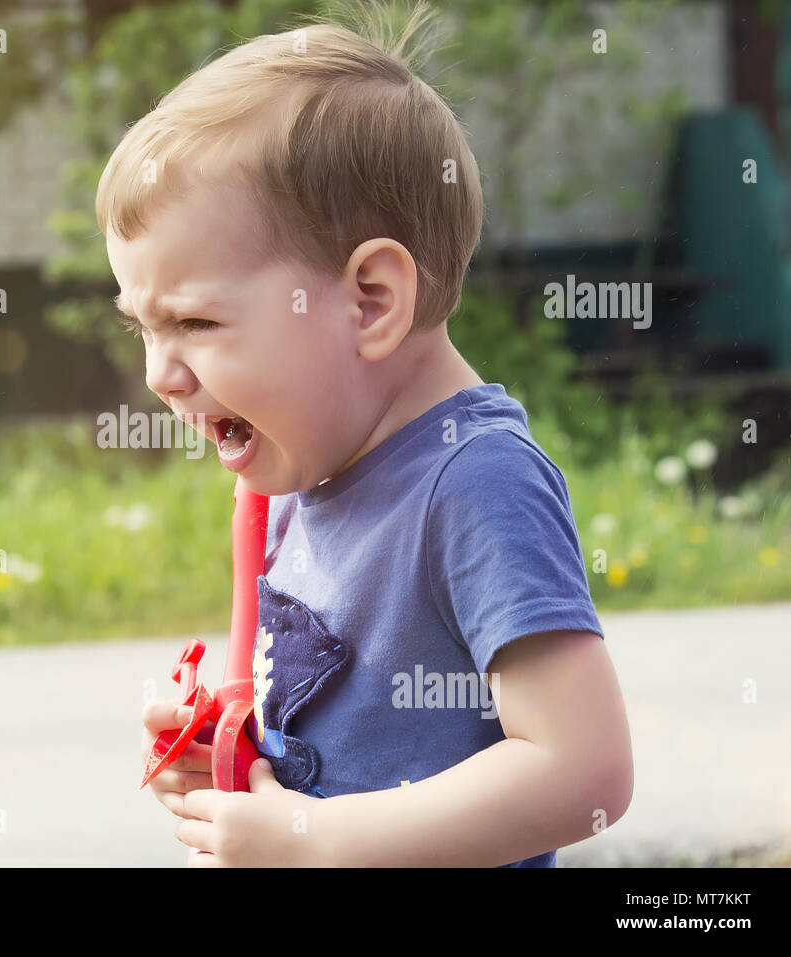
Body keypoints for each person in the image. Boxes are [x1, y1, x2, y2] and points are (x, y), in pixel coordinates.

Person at [104, 3, 634, 866]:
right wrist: (226, 756)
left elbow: (585, 773)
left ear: (370, 301)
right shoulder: (307, 472)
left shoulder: (473, 483)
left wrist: (316, 840)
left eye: (195, 320)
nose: (160, 374)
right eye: (143, 328)